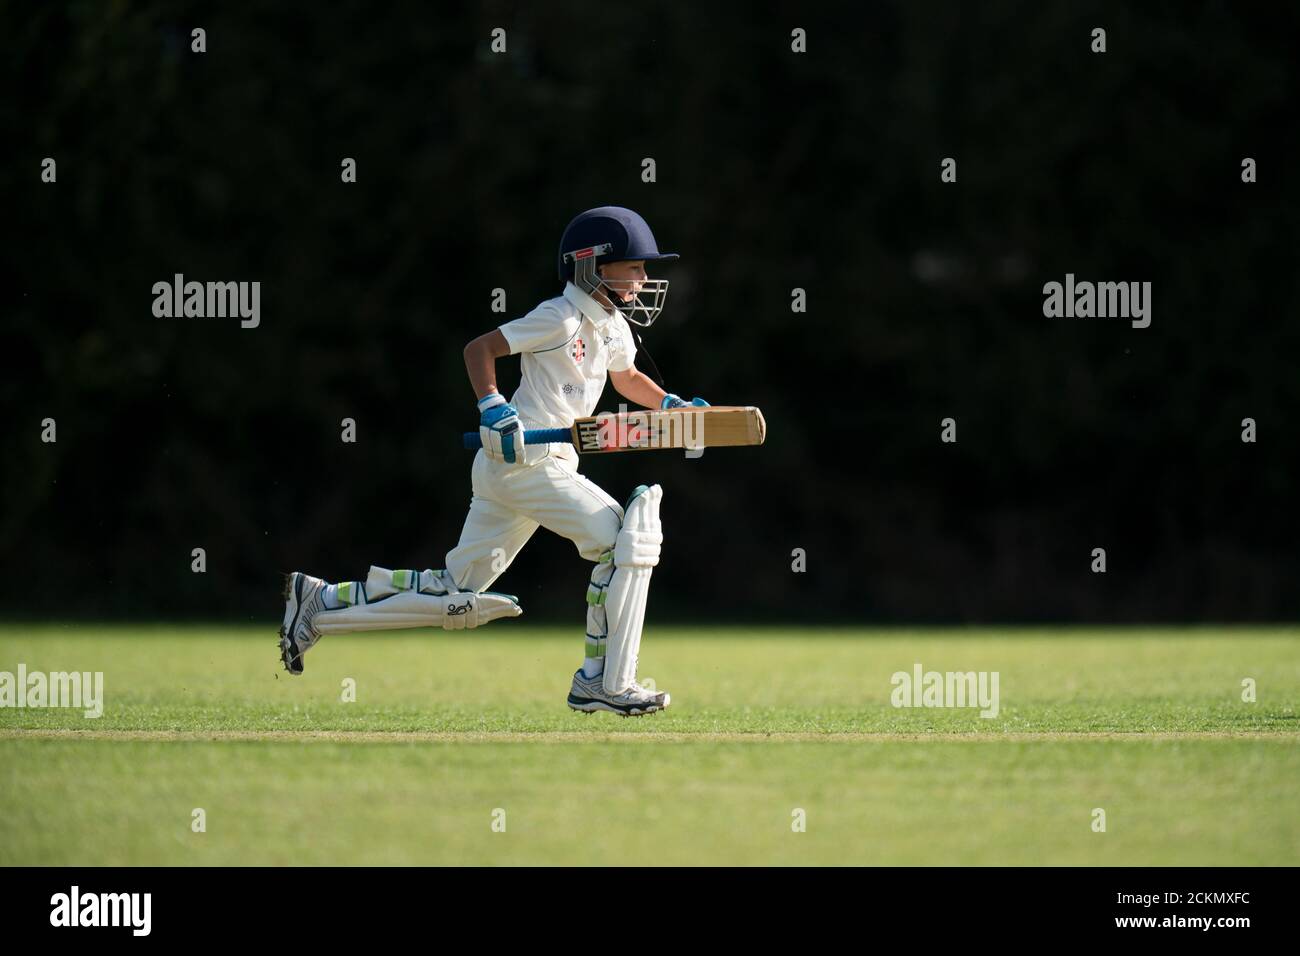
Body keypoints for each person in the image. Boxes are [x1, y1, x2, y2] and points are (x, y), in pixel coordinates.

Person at [278, 206, 707, 716]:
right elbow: (480, 349)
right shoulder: (560, 317)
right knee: (624, 538)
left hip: (532, 466)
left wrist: (670, 404)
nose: (644, 277)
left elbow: (627, 378)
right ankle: (603, 680)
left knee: (454, 590)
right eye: (634, 266)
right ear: (592, 265)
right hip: (527, 461)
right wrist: (493, 405)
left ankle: (319, 604)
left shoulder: (611, 326)